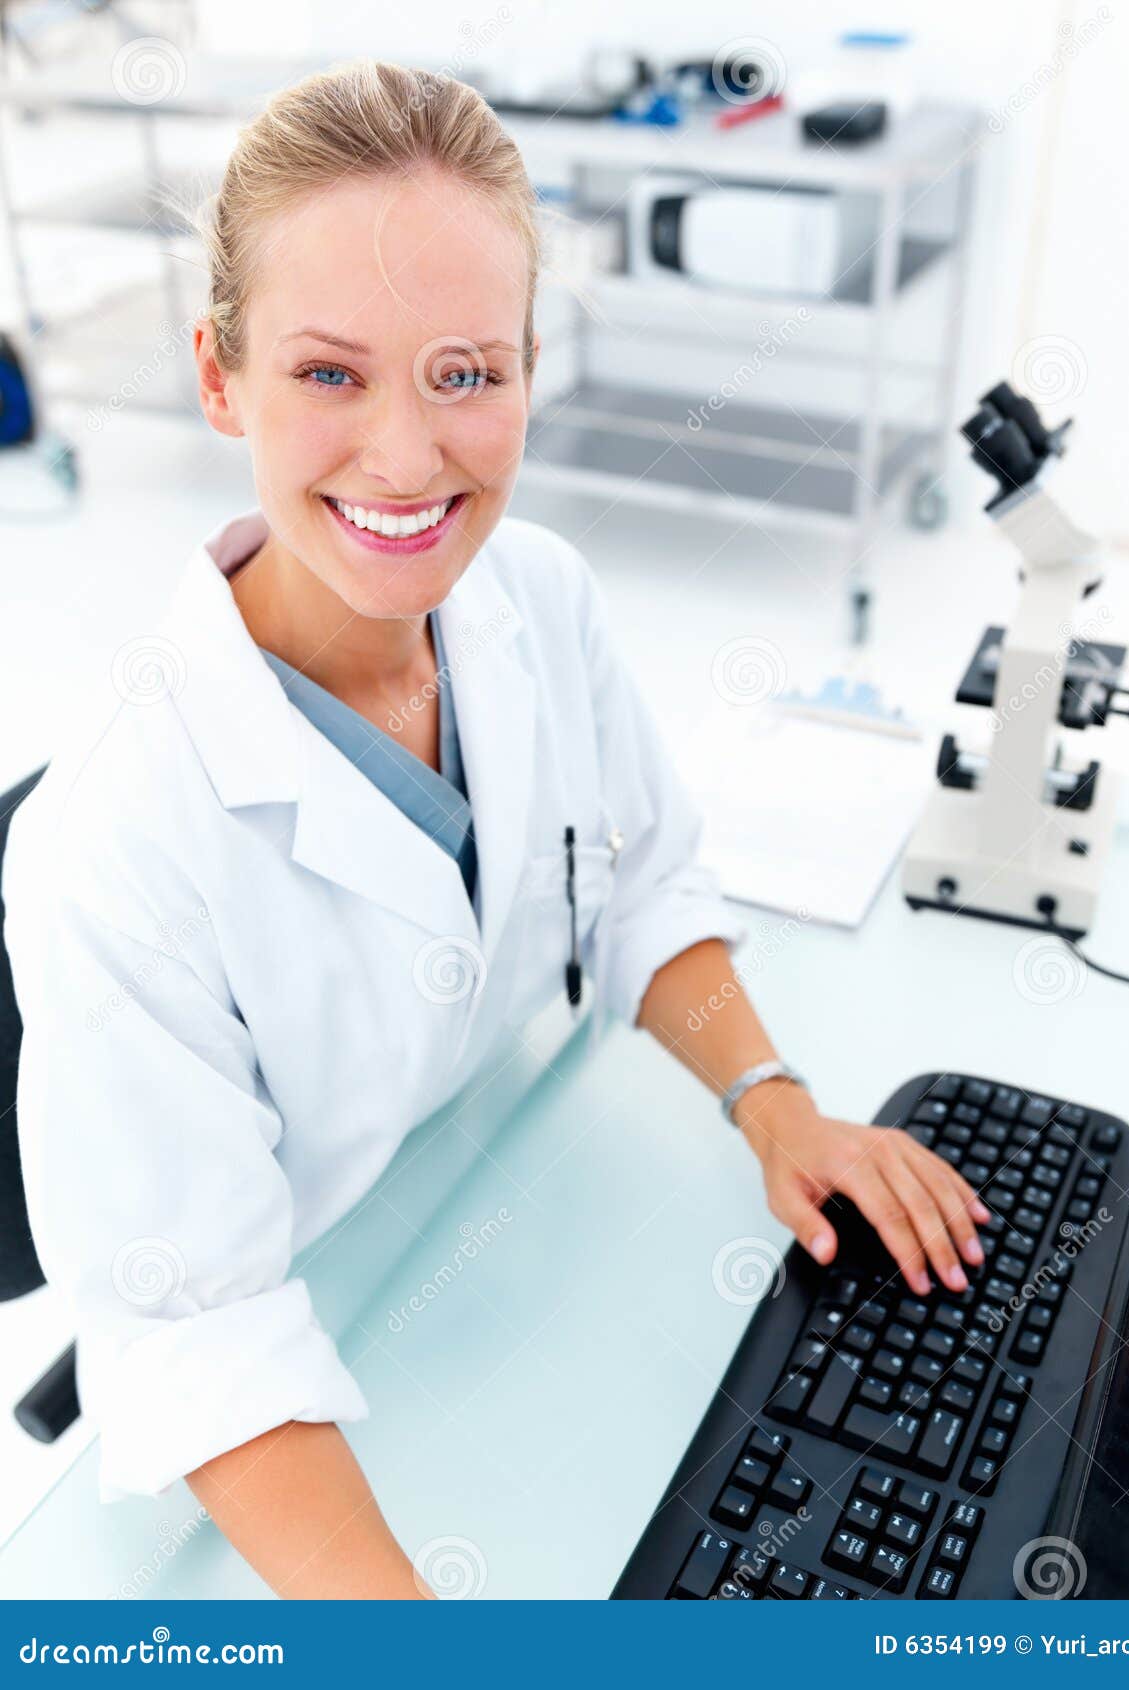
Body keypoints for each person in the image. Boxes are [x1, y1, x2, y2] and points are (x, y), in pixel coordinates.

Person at [1, 60, 988, 1600]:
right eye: (330, 374)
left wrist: (774, 1102)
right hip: (313, 1355)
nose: (408, 457)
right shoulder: (116, 839)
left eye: (465, 372)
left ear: (532, 365)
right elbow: (198, 1334)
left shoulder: (539, 598)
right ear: (220, 377)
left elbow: (643, 884)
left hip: (497, 1207)